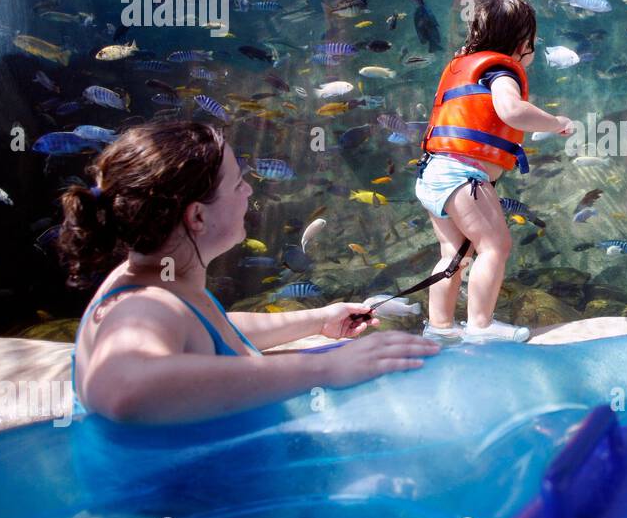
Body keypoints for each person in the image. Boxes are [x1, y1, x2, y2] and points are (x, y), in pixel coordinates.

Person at [60, 120, 440, 425]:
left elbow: (213, 330)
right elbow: (125, 388)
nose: (247, 192)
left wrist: (318, 319)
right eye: (238, 183)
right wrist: (324, 367)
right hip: (201, 516)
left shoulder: (163, 285)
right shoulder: (142, 305)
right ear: (198, 216)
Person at [415, 0, 574, 343]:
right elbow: (512, 111)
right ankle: (481, 326)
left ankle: (439, 328)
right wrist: (555, 122)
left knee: (453, 255)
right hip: (461, 175)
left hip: (434, 171)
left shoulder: (463, 67)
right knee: (495, 247)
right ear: (523, 41)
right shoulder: (502, 71)